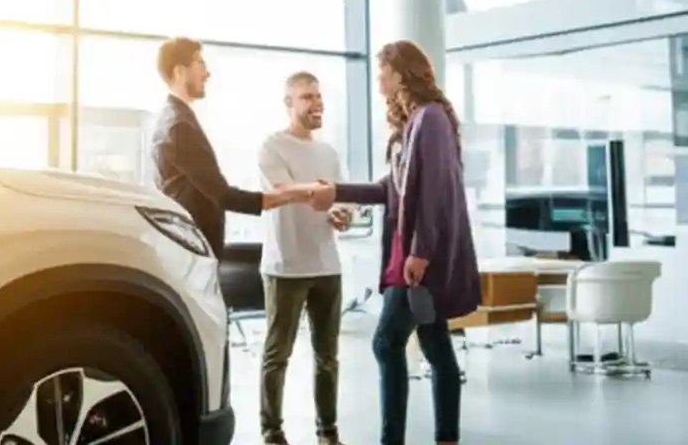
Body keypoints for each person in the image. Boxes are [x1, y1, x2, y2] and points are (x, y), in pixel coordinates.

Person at [318, 40, 481, 445]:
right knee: (437, 347)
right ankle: (446, 437)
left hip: (415, 262)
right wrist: (334, 190)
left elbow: (437, 193)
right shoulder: (410, 128)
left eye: (382, 71)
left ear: (402, 73)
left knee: (385, 343)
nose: (378, 80)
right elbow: (388, 189)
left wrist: (421, 252)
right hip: (406, 258)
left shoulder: (431, 120)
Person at [150, 37, 328, 259]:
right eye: (200, 63)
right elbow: (224, 196)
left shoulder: (174, 119)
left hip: (189, 247)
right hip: (192, 252)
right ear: (179, 72)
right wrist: (298, 192)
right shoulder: (179, 126)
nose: (207, 73)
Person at [256, 72, 355, 445]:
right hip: (286, 266)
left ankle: (327, 432)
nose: (317, 104)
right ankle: (272, 432)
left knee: (328, 357)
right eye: (306, 97)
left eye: (318, 96)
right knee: (277, 354)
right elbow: (280, 191)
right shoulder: (272, 147)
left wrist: (344, 212)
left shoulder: (328, 153)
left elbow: (342, 196)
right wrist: (321, 194)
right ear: (288, 103)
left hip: (328, 265)